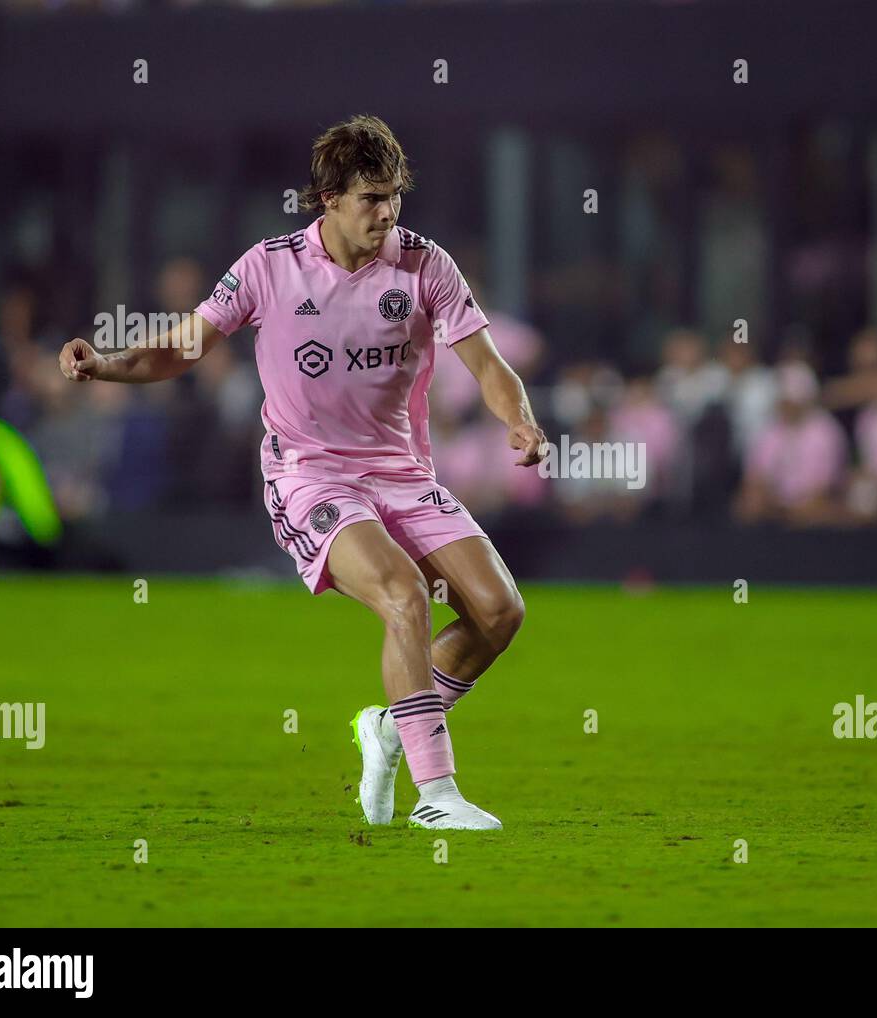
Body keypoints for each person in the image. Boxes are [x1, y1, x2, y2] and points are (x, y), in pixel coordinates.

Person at [56, 115, 547, 831]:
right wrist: (104, 364)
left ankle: (388, 726)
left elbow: (488, 365)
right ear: (328, 199)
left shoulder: (425, 265)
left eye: (394, 197)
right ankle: (437, 796)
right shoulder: (268, 267)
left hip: (402, 474)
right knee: (405, 596)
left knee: (500, 611)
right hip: (310, 475)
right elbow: (182, 349)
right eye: (371, 198)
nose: (387, 214)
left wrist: (519, 420)